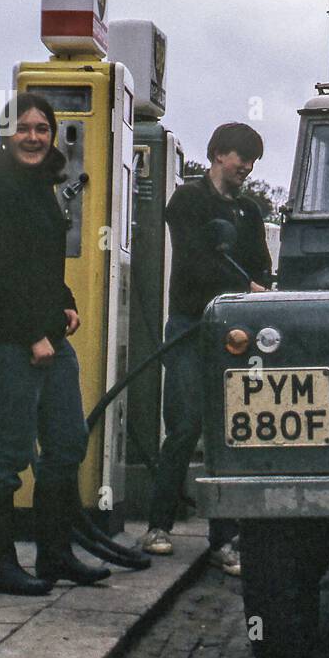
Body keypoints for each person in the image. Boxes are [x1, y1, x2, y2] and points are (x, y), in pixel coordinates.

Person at [0, 93, 110, 595]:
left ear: (54, 135)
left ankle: (55, 555)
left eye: (42, 128)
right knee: (6, 454)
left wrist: (67, 300)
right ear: (7, 135)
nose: (33, 137)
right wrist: (33, 335)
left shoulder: (42, 187)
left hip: (49, 335)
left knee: (67, 443)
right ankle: (0, 567)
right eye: (23, 128)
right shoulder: (1, 190)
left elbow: (43, 264)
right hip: (12, 340)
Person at [141, 123, 273, 574]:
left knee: (230, 429)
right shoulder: (187, 201)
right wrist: (245, 285)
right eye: (241, 158)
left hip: (234, 334)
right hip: (191, 326)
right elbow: (195, 263)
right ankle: (159, 526)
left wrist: (258, 288)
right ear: (218, 154)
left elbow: (262, 267)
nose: (247, 168)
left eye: (253, 161)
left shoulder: (250, 212)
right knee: (184, 424)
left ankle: (225, 539)